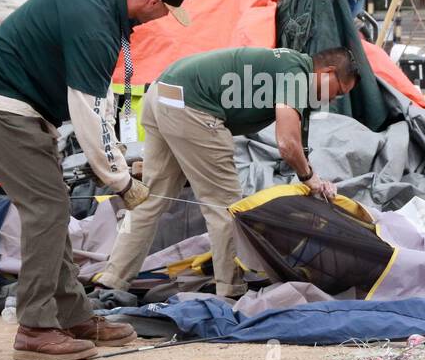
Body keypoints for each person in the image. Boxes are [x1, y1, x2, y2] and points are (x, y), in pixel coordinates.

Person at [0, 0, 193, 360]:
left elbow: (98, 107)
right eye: (165, 14)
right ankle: (35, 328)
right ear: (155, 4)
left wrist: (116, 160)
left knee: (52, 209)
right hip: (0, 105)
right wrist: (120, 180)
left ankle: (71, 315)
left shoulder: (100, 1)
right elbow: (87, 109)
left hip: (21, 108)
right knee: (46, 210)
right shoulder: (96, 23)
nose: (159, 21)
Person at [94, 46, 358, 299]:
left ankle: (112, 279)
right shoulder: (297, 74)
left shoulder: (287, 64)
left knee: (150, 200)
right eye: (339, 92)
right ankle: (230, 290)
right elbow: (287, 144)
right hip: (193, 105)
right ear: (327, 72)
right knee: (225, 207)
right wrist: (308, 177)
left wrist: (313, 175)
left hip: (162, 92)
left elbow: (297, 143)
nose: (334, 100)